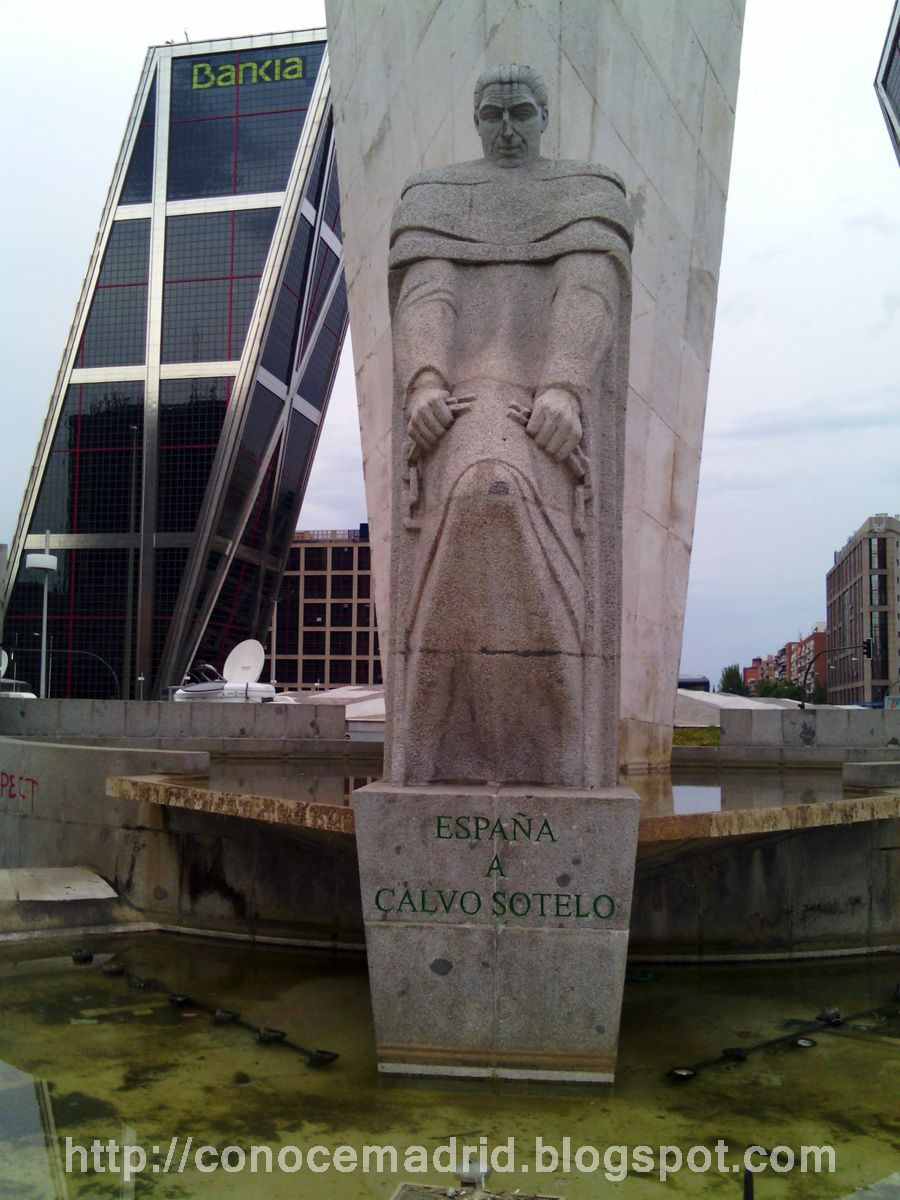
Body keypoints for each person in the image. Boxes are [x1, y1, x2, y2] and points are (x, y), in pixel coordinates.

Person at [386, 64, 633, 788]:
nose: (506, 128)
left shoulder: (583, 192)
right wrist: (425, 379)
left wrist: (565, 384)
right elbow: (428, 293)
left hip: (552, 409)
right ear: (474, 116)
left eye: (521, 112)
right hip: (467, 404)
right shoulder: (439, 197)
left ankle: (554, 746)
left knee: (503, 496)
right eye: (492, 113)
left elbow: (587, 290)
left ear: (544, 114)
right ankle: (437, 749)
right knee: (479, 489)